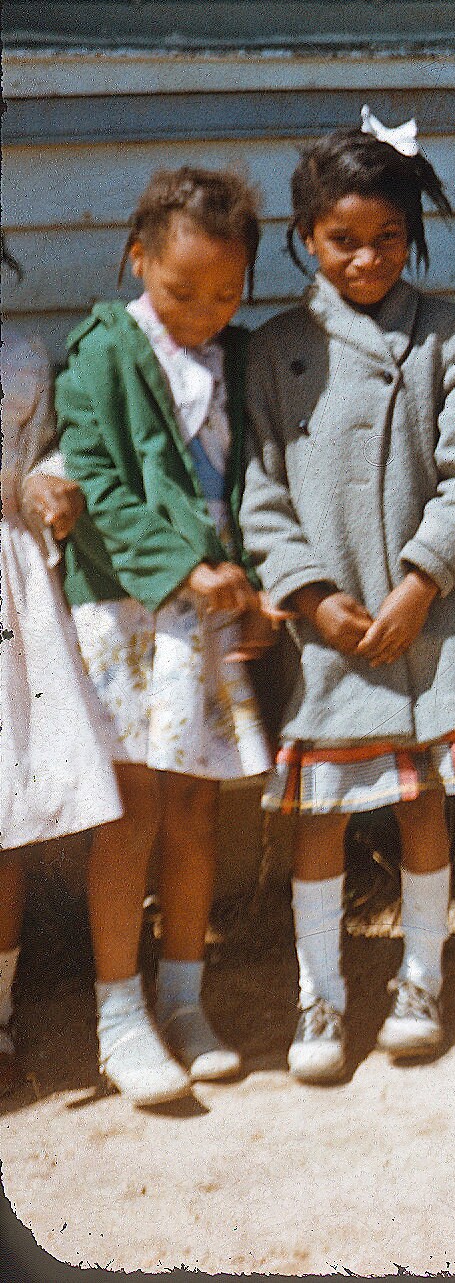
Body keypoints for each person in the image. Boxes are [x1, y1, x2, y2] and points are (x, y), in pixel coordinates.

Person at [240, 116, 455, 1082]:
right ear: (307, 237)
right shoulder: (275, 349)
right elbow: (259, 491)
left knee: (422, 800)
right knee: (323, 813)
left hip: (424, 622)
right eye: (342, 239)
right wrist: (313, 599)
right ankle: (320, 994)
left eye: (387, 238)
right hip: (327, 631)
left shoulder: (448, 337)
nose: (365, 257)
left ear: (414, 236)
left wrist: (419, 582)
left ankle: (422, 976)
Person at [55, 169, 277, 1104]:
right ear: (136, 257)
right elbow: (94, 484)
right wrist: (184, 570)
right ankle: (119, 1014)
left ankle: (184, 997)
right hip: (126, 607)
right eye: (182, 291)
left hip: (210, 617)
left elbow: (259, 480)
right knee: (132, 814)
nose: (201, 312)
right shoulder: (101, 352)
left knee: (196, 814)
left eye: (224, 295)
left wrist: (255, 589)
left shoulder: (238, 357)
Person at [0, 232, 128, 1098]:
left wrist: (46, 479)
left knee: (3, 815)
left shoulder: (20, 360)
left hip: (9, 591)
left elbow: (38, 455)